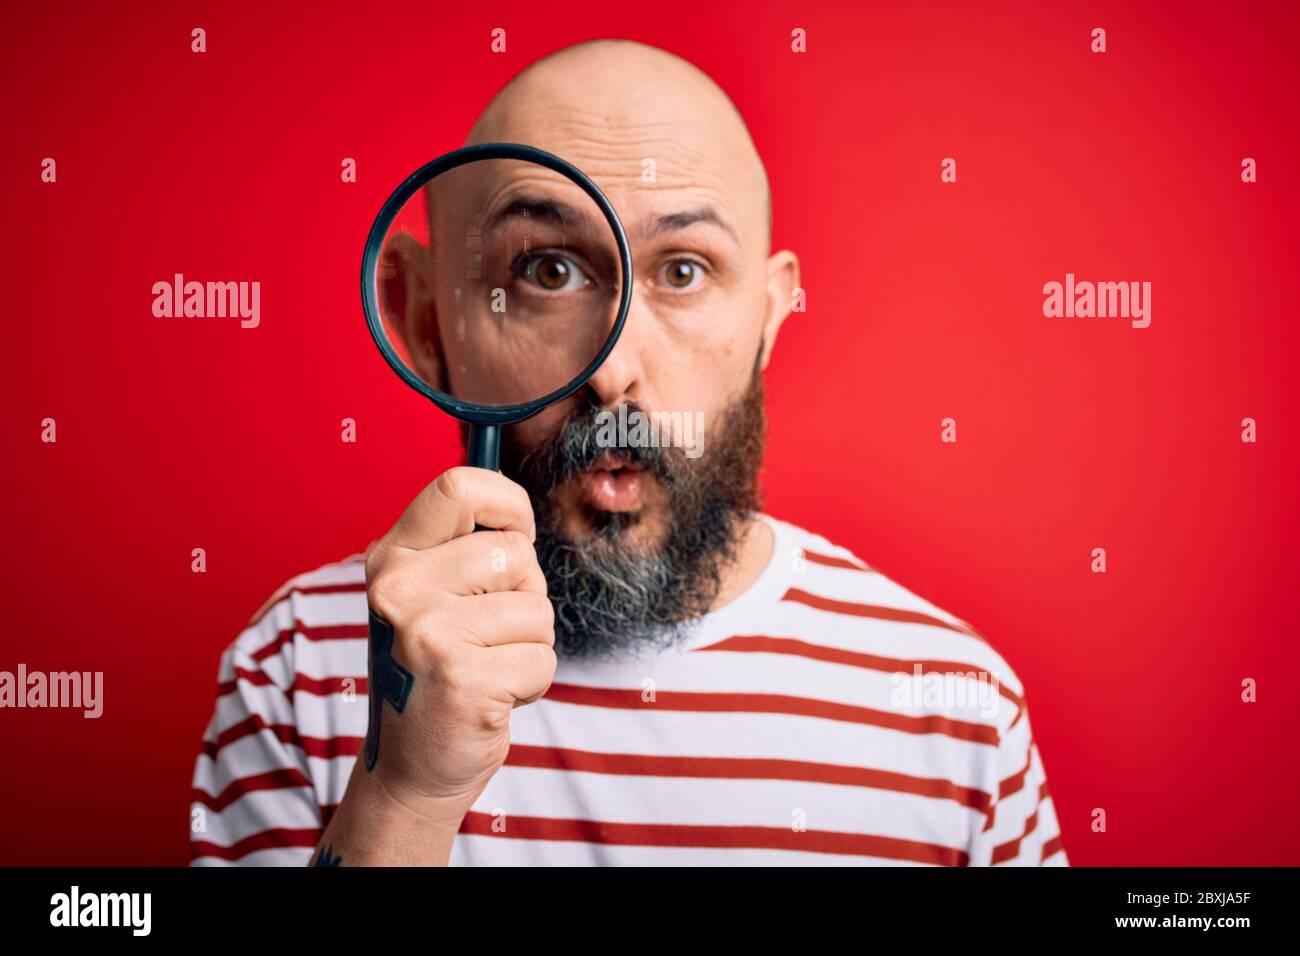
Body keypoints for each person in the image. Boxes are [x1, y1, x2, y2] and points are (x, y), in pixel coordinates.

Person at [189, 38, 1066, 866]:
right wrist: (406, 796)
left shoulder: (956, 713)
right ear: (423, 318)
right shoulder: (299, 666)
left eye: (684, 270)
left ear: (766, 316)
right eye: (546, 271)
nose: (612, 373)